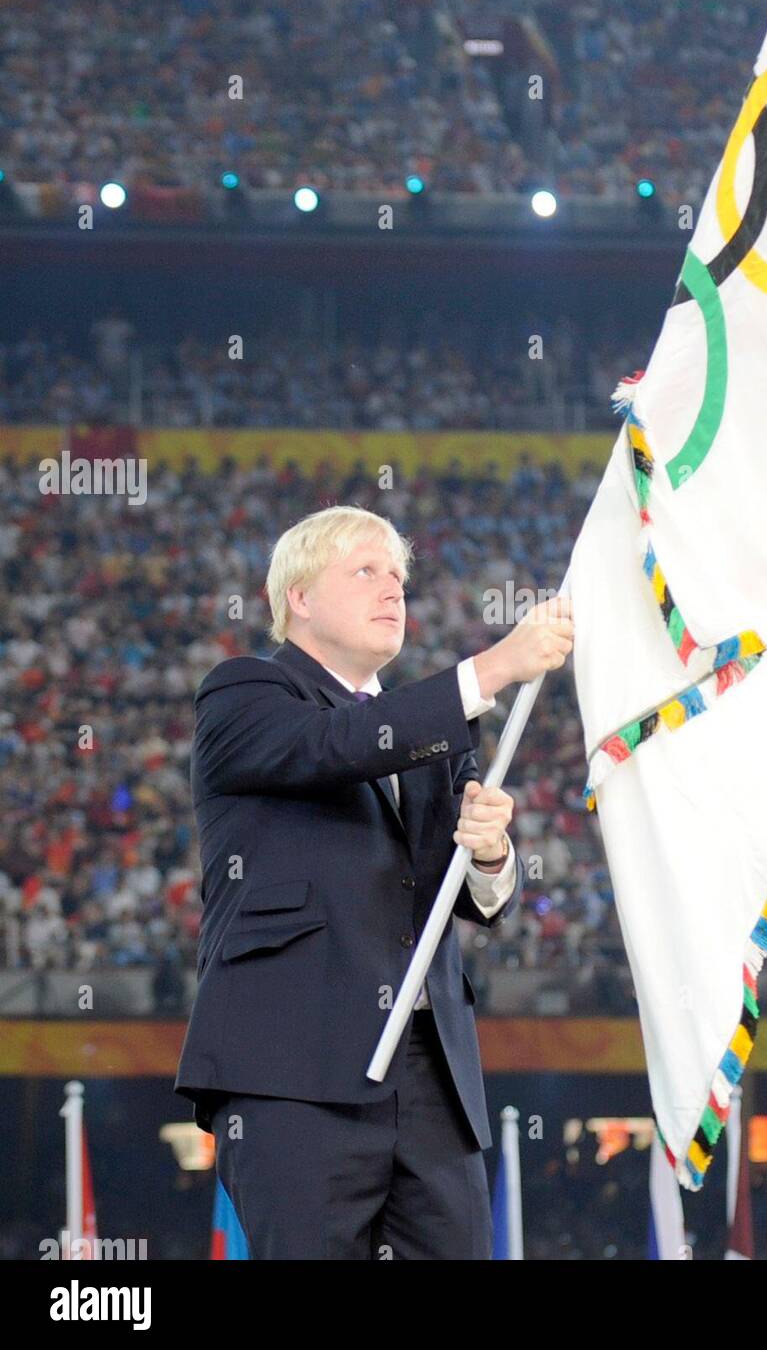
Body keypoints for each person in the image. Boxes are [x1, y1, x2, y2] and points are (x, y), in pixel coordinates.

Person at [175, 504, 574, 1258]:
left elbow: (476, 900)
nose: (393, 589)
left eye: (398, 575)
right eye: (365, 571)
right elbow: (335, 745)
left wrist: (490, 856)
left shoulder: (431, 734)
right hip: (294, 1065)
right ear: (298, 596)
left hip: (431, 1075)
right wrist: (492, 668)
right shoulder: (243, 693)